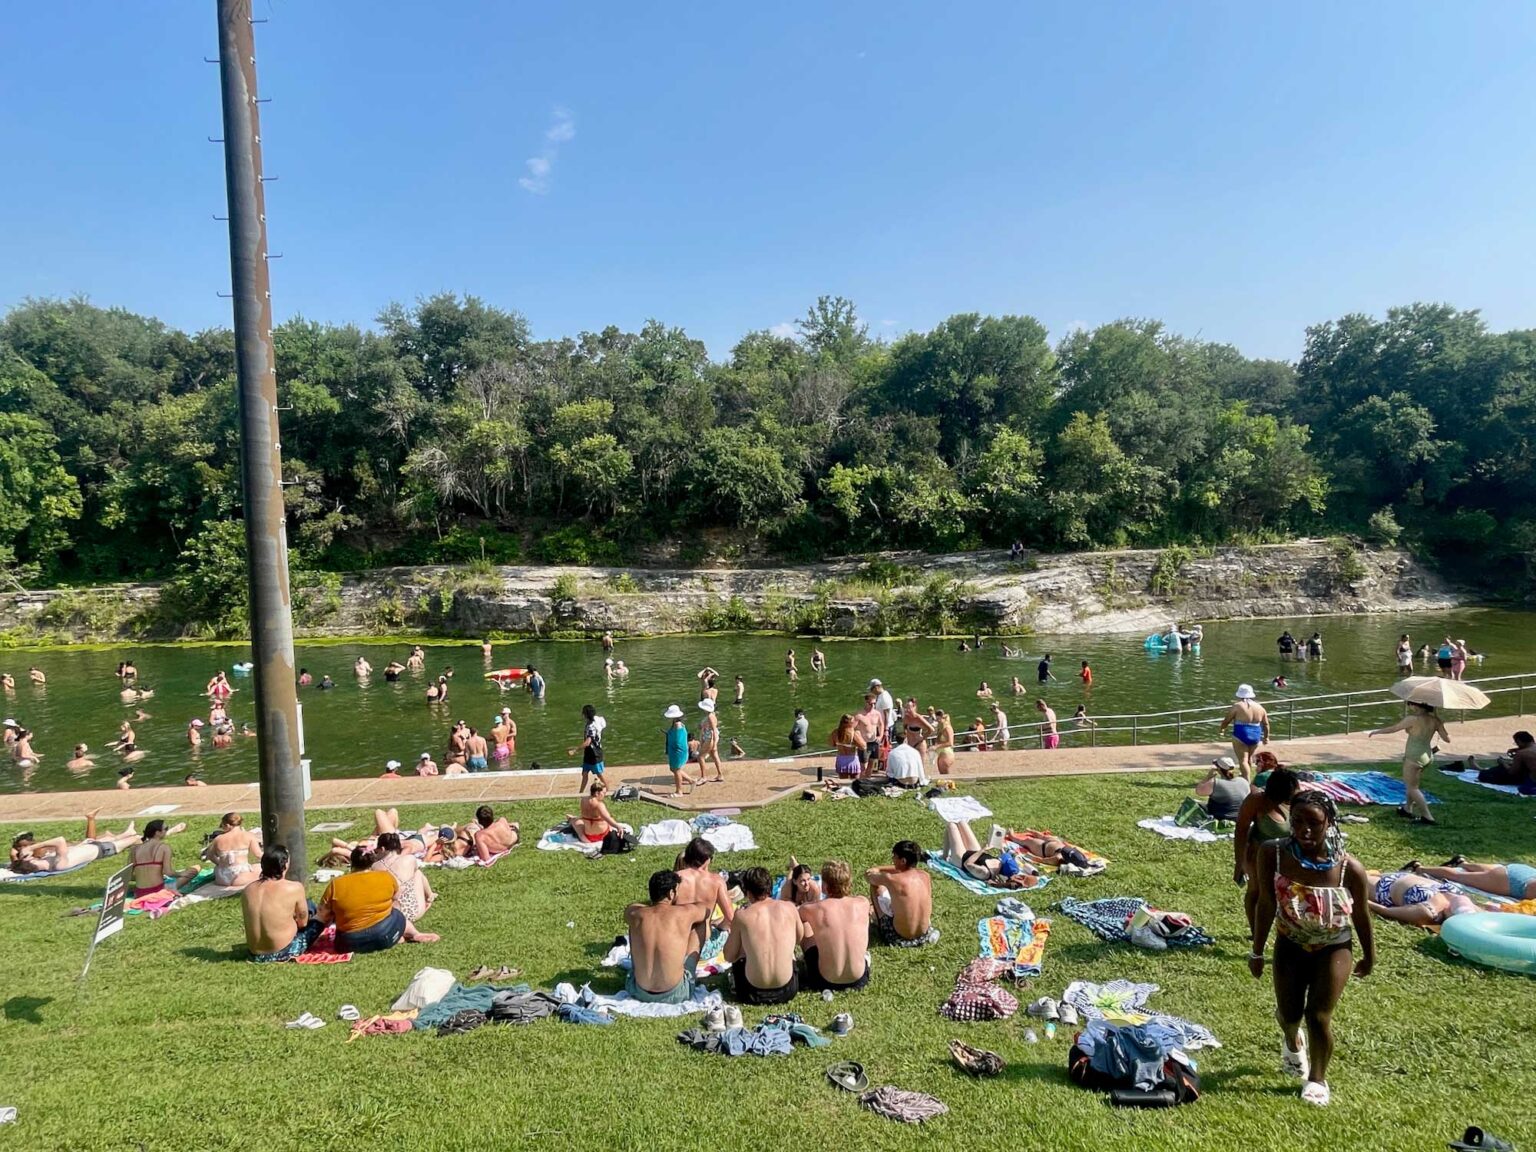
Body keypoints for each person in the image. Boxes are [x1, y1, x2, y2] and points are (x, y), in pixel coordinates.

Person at [1249, 790, 1374, 1108]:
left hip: (1334, 947)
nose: (1304, 830)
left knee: (1317, 1015)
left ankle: (1317, 1079)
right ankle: (1292, 1040)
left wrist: (1369, 955)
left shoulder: (1348, 869)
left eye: (1314, 823)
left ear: (1329, 822)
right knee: (1290, 1014)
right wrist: (1257, 950)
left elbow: (1360, 914)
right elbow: (1265, 902)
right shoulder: (1273, 853)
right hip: (1290, 943)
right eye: (1297, 821)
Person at [317, 847, 437, 952]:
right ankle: (413, 933)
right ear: (371, 862)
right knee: (396, 913)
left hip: (349, 943)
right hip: (384, 935)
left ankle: (398, 936)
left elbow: (323, 913)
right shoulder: (385, 877)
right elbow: (396, 897)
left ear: (351, 863)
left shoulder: (336, 884)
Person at [625, 870, 711, 1004]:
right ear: (671, 893)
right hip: (677, 992)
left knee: (634, 926)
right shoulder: (684, 913)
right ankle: (689, 969)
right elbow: (705, 910)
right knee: (700, 923)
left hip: (638, 990)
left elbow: (631, 907)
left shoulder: (636, 914)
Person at [724, 866, 804, 1005]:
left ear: (747, 892)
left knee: (742, 948)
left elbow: (729, 956)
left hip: (751, 992)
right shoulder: (789, 908)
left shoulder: (742, 915)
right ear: (770, 888)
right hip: (788, 989)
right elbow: (799, 938)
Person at [1234, 766, 1299, 931]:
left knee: (1285, 894)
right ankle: (1256, 931)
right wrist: (1240, 861)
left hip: (1286, 857)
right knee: (1257, 891)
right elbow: (1241, 830)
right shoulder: (1256, 801)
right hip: (1258, 855)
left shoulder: (1294, 801)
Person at [798, 860, 871, 990]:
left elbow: (797, 917)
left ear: (825, 886)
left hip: (824, 980)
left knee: (806, 925)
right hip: (859, 979)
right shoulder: (862, 903)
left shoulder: (812, 909)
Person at [1369, 702, 1447, 823]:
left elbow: (1394, 728)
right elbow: (1447, 739)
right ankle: (1407, 809)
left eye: (1410, 704)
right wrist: (1439, 722)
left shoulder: (1412, 719)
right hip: (1427, 756)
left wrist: (1377, 731)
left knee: (1412, 788)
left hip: (1414, 756)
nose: (1409, 707)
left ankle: (1427, 817)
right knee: (1412, 784)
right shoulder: (1435, 720)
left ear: (1416, 705)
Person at [243, 845, 323, 962]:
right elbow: (303, 924)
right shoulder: (294, 888)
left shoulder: (247, 890)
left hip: (254, 954)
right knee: (317, 912)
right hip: (282, 952)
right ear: (285, 864)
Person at [9, 814, 143, 874]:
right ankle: (150, 836)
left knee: (126, 836)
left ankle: (129, 833)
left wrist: (81, 845)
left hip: (91, 845)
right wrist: (31, 847)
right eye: (29, 858)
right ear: (31, 863)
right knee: (137, 838)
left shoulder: (47, 861)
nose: (31, 856)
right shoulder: (57, 865)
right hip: (105, 849)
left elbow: (69, 851)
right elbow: (60, 840)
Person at [866, 841, 934, 946]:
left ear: (903, 860)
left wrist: (878, 868)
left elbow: (869, 877)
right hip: (923, 935)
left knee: (876, 887)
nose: (893, 859)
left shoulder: (891, 879)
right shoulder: (925, 876)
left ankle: (878, 920)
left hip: (897, 937)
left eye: (894, 857)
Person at [940, 821, 1042, 889]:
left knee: (951, 826)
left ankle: (944, 857)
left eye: (1019, 877)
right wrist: (999, 844)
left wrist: (984, 849)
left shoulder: (985, 872)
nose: (1018, 875)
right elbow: (1007, 857)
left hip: (961, 858)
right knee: (962, 823)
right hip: (976, 853)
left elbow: (968, 864)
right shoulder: (1002, 865)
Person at [1366, 869, 1481, 926]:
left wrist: (1363, 901)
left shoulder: (1429, 911)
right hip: (1401, 880)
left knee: (1352, 873)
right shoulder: (1472, 910)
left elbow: (1384, 910)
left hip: (1386, 887)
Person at [372, 831, 437, 924]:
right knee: (417, 873)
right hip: (412, 911)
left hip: (389, 913)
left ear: (382, 849)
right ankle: (430, 895)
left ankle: (429, 895)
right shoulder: (409, 859)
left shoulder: (375, 866)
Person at [674, 837, 735, 931]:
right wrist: (719, 927)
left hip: (677, 936)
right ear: (707, 859)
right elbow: (730, 917)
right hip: (702, 938)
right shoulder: (716, 881)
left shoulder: (674, 878)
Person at [1407, 858, 1536, 901]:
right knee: (1458, 877)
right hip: (1511, 882)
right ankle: (1419, 868)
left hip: (1523, 871)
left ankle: (1462, 863)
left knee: (1489, 872)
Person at [128, 819, 195, 896]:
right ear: (157, 833)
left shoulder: (134, 849)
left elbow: (128, 875)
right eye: (166, 829)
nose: (167, 831)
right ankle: (172, 888)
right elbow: (168, 872)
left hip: (140, 893)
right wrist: (181, 874)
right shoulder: (164, 848)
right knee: (194, 869)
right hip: (158, 891)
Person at [1220, 684, 1270, 777]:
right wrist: (1266, 737)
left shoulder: (1237, 706)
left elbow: (1227, 720)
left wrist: (1222, 729)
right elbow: (1266, 724)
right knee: (1248, 758)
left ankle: (1246, 781)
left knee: (1243, 760)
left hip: (1241, 733)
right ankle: (1245, 776)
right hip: (1256, 734)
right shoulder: (1260, 707)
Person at [204, 812, 263, 889]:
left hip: (221, 877)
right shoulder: (248, 836)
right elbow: (258, 854)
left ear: (227, 825)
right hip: (241, 876)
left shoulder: (218, 839)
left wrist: (219, 864)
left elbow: (210, 856)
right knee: (259, 868)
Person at [1196, 756, 1253, 821]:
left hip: (1221, 818)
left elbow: (1198, 791)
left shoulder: (1215, 783)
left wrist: (1208, 777)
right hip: (1241, 817)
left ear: (1218, 769)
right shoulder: (1243, 781)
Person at [569, 704, 606, 794]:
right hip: (588, 753)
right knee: (584, 773)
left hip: (594, 754)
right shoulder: (596, 720)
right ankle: (580, 793)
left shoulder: (591, 727)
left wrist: (575, 750)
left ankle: (607, 789)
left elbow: (588, 742)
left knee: (599, 774)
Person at [568, 781, 619, 845]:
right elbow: (607, 818)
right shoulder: (599, 805)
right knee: (608, 818)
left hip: (587, 836)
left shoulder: (583, 800)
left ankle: (571, 818)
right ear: (597, 793)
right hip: (602, 835)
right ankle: (573, 818)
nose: (604, 795)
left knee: (575, 820)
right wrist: (618, 827)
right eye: (603, 793)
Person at [664, 705, 695, 796]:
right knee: (673, 768)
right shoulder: (675, 723)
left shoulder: (677, 725)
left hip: (678, 751)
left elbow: (678, 740)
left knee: (676, 770)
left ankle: (679, 791)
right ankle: (691, 781)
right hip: (674, 750)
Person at [853, 692, 885, 776]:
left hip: (874, 741)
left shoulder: (877, 713)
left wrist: (880, 735)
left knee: (872, 764)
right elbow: (852, 728)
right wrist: (857, 739)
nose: (873, 706)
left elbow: (881, 724)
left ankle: (867, 781)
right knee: (863, 765)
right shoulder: (859, 715)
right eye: (871, 704)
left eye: (874, 703)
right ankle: (861, 782)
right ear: (866, 702)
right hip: (864, 743)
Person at [829, 714, 867, 781]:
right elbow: (863, 747)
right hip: (852, 759)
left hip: (841, 759)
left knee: (843, 783)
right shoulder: (854, 734)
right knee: (855, 783)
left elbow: (831, 744)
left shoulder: (835, 732)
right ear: (850, 723)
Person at [696, 699, 724, 783]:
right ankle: (720, 775)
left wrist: (714, 743)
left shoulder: (710, 717)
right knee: (715, 756)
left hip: (710, 738)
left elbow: (714, 730)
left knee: (700, 757)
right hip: (709, 737)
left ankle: (703, 777)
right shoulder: (711, 715)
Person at [932, 709, 956, 775]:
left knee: (946, 775)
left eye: (938, 720)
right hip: (941, 753)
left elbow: (950, 743)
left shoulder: (947, 728)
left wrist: (937, 746)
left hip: (946, 753)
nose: (937, 722)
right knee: (942, 775)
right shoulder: (941, 729)